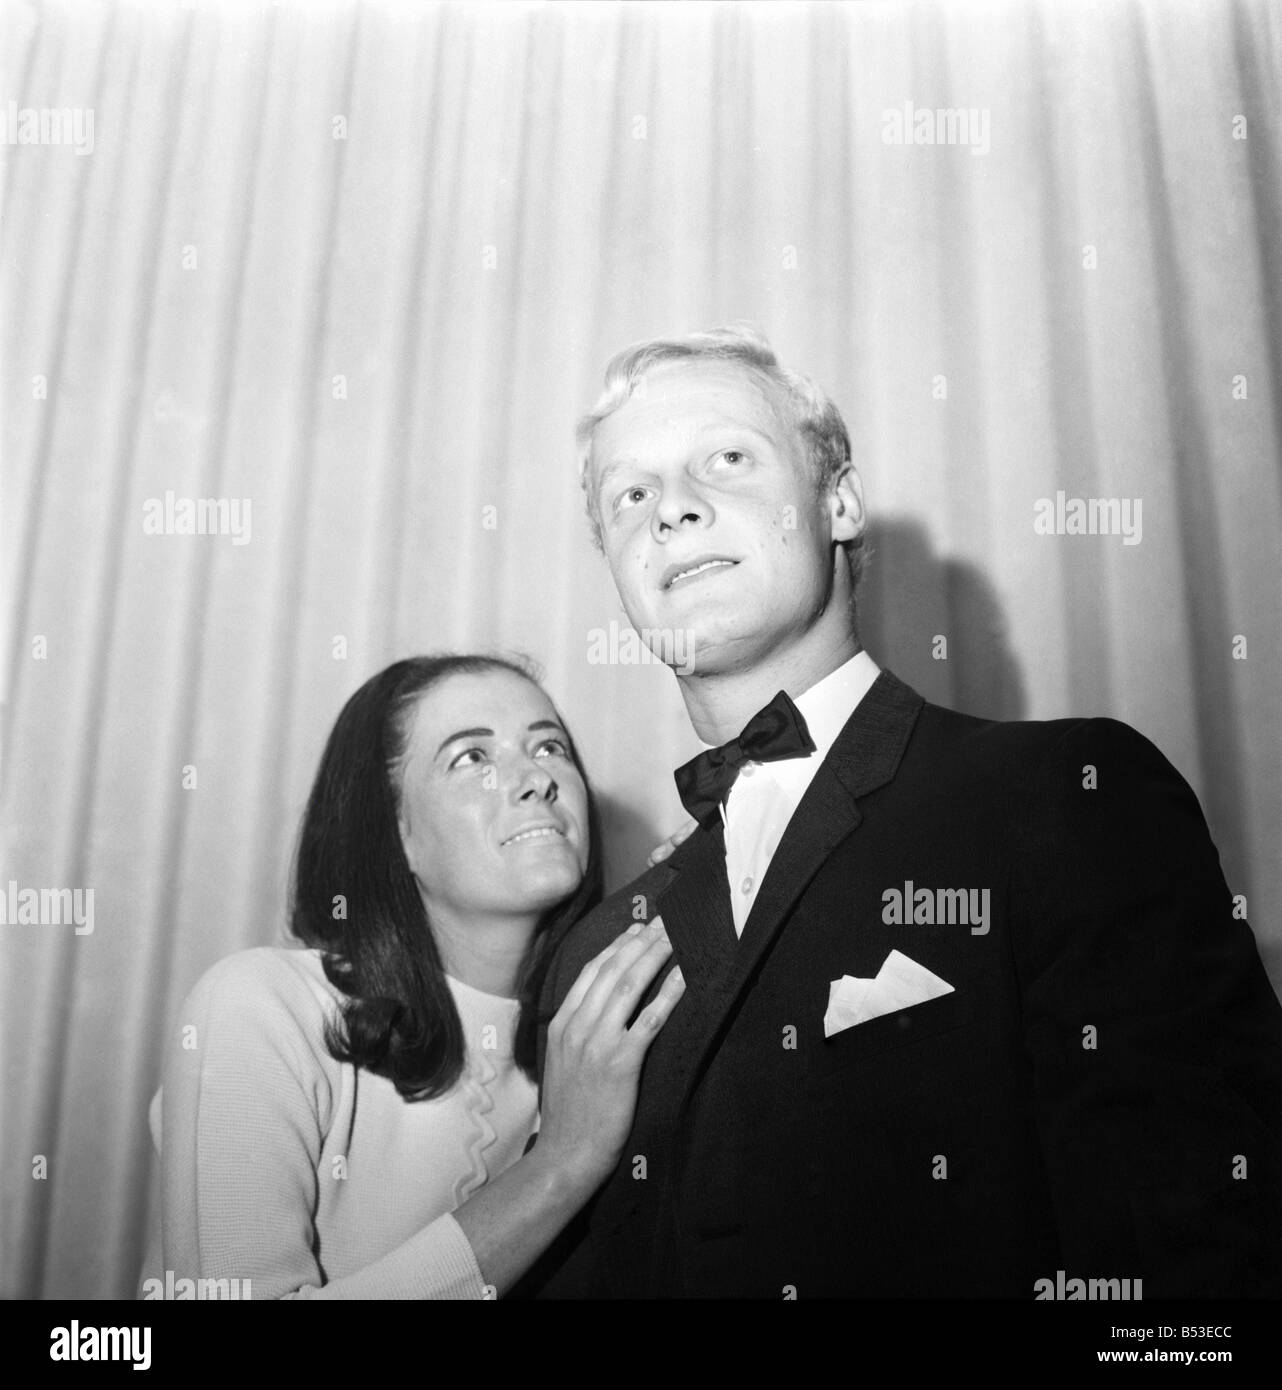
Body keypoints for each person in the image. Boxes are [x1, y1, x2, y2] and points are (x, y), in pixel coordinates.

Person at [528, 325, 1282, 1298]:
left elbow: (1209, 1259)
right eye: (629, 494)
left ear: (837, 501)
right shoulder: (597, 951)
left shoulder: (1064, 794)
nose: (670, 509)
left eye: (725, 458)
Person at [137, 654, 686, 1299]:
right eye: (472, 758)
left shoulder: (602, 1041)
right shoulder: (257, 1009)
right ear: (394, 831)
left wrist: (704, 910)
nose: (537, 777)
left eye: (550, 746)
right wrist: (560, 1166)